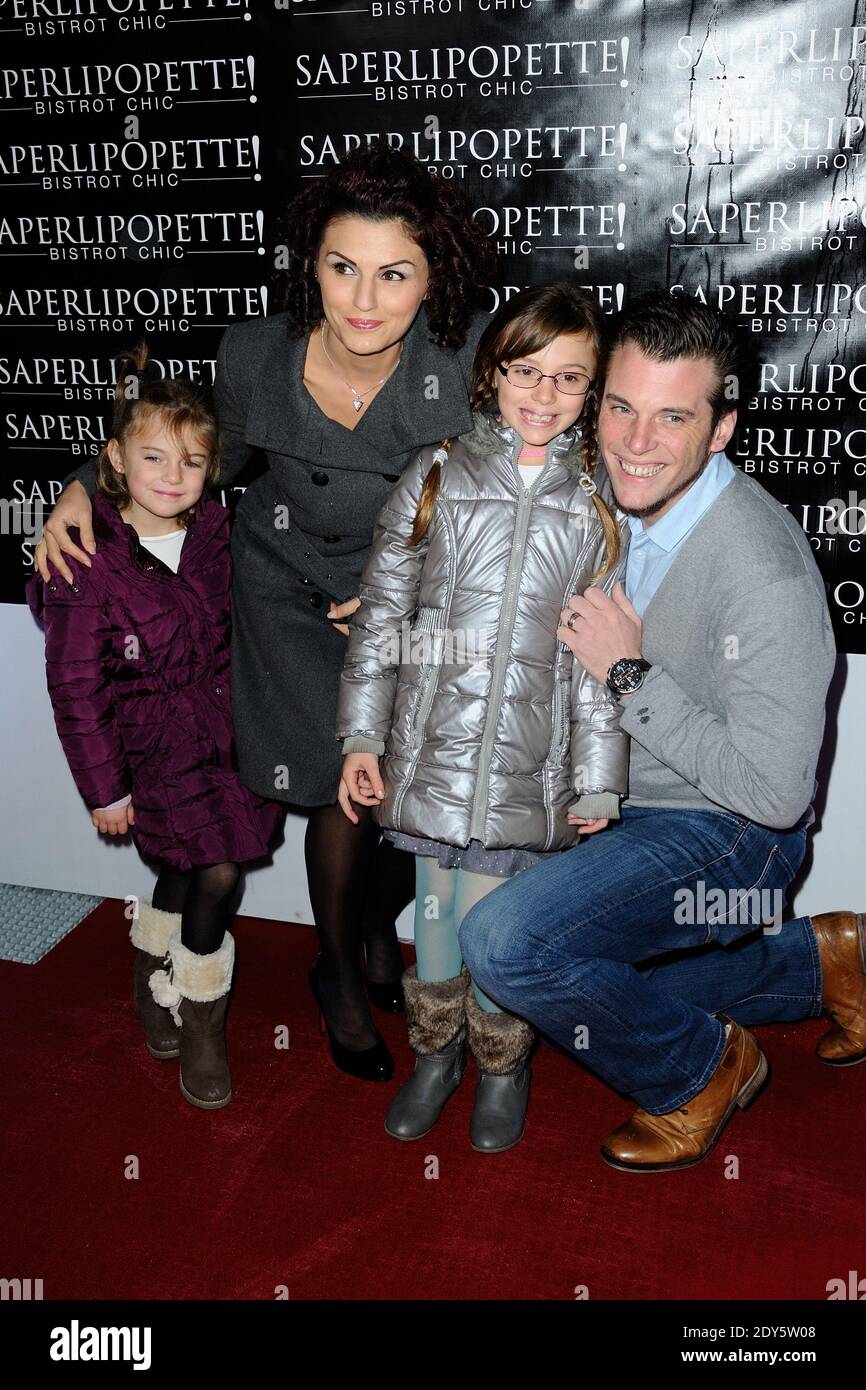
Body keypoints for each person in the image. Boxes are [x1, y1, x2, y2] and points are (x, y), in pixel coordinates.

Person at [31, 144, 497, 1083]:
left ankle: (374, 931)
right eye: (341, 266)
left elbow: (501, 489)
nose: (364, 300)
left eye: (394, 273)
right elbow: (194, 457)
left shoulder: (467, 352)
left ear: (432, 277)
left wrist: (420, 579)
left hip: (410, 593)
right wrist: (84, 484)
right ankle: (336, 969)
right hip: (287, 594)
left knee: (417, 791)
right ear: (309, 263)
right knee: (339, 777)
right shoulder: (255, 352)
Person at [456, 291, 864, 1173]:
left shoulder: (763, 574)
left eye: (672, 417)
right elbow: (463, 447)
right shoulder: (601, 486)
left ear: (720, 431)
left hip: (737, 841)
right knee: (604, 984)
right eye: (620, 407)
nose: (634, 443)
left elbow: (775, 795)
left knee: (504, 947)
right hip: (625, 804)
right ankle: (824, 962)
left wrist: (630, 673)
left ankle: (701, 1072)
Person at [335, 280, 629, 1152]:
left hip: (528, 764)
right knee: (434, 914)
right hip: (432, 751)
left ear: (592, 391)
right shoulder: (434, 475)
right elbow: (383, 616)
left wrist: (599, 780)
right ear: (489, 374)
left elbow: (598, 657)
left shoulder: (597, 505)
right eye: (525, 371)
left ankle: (502, 1063)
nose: (544, 395)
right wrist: (360, 731)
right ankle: (436, 1054)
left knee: (494, 929)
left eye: (569, 379)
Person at [26, 345, 280, 1111]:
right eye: (154, 457)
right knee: (220, 872)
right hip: (152, 755)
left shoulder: (216, 534)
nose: (173, 476)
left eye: (193, 461)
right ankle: (202, 1018)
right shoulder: (84, 560)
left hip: (229, 741)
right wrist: (104, 789)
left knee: (188, 865)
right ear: (114, 458)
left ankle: (150, 970)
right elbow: (75, 686)